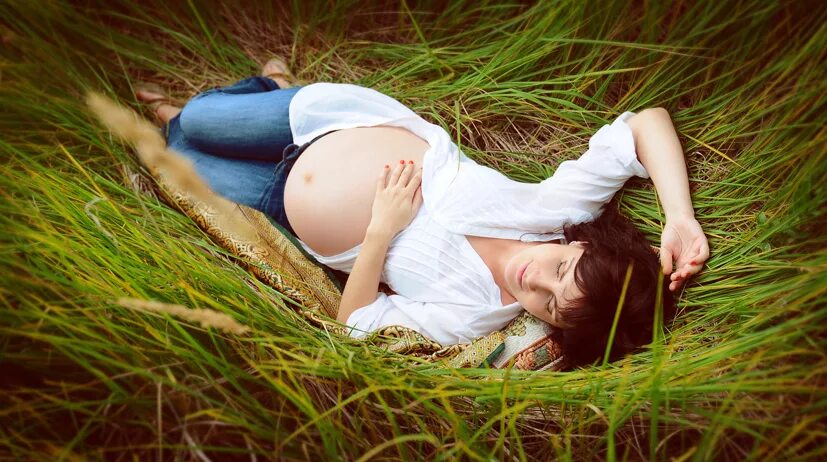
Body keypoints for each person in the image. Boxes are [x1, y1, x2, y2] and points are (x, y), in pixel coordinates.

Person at [136, 58, 709, 366]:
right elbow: (646, 122)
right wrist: (679, 217)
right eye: (561, 271)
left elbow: (356, 324)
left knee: (178, 150)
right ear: (581, 246)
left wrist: (381, 231)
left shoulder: (471, 316)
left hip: (277, 199)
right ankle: (272, 85)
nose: (538, 282)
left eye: (550, 306)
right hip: (327, 122)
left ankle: (176, 119)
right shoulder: (552, 209)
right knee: (205, 116)